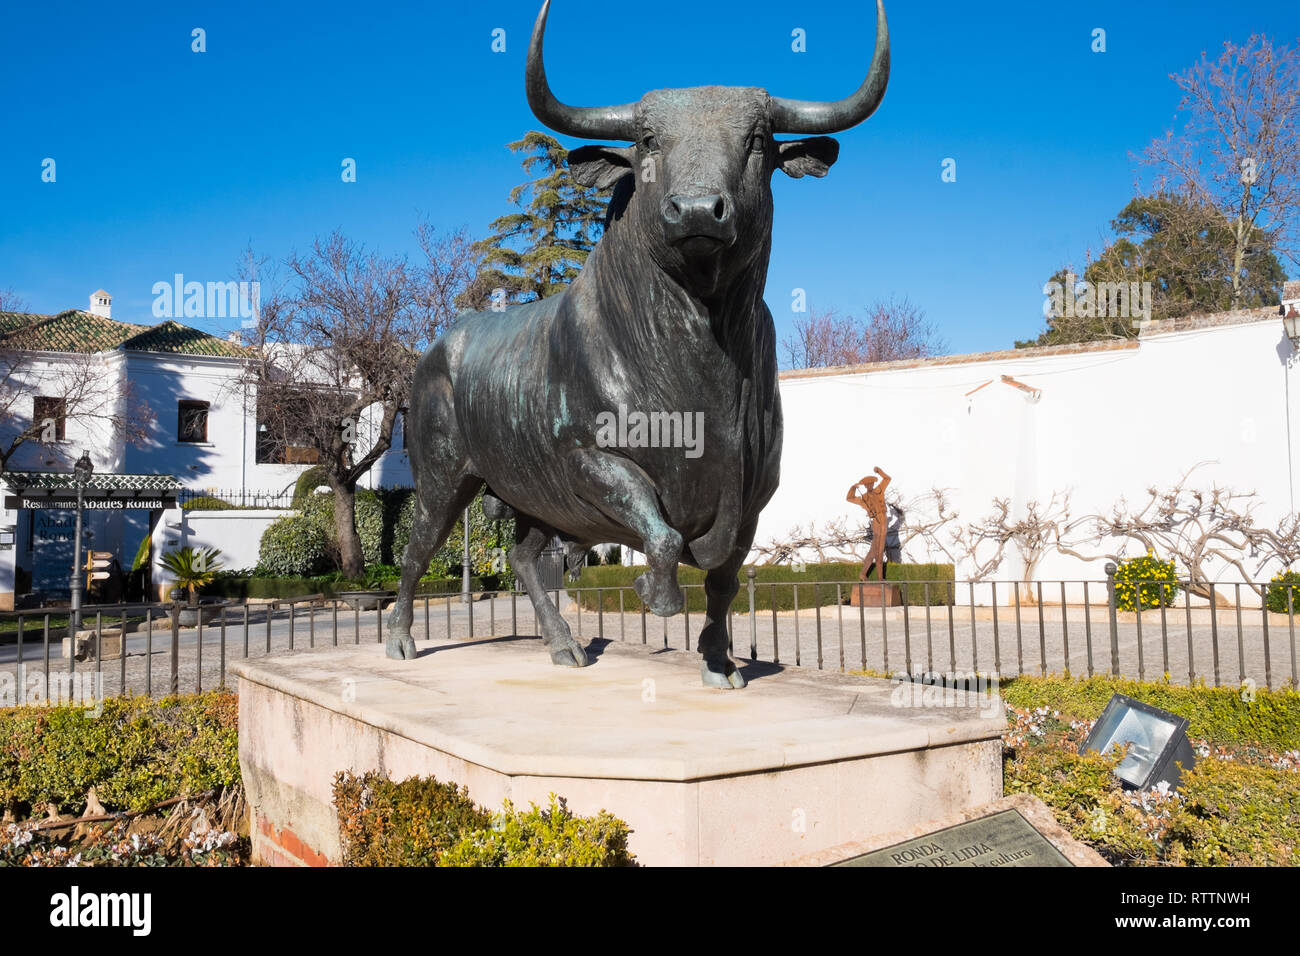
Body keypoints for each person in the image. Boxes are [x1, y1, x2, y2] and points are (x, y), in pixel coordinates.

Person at [846, 467, 891, 583]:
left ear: (873, 484)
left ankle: (863, 573)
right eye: (867, 485)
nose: (869, 486)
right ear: (865, 486)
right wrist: (853, 488)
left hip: (884, 520)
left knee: (874, 550)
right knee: (879, 549)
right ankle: (880, 578)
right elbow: (849, 498)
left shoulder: (879, 490)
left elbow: (887, 478)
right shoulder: (864, 498)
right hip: (876, 523)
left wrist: (879, 471)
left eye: (871, 484)